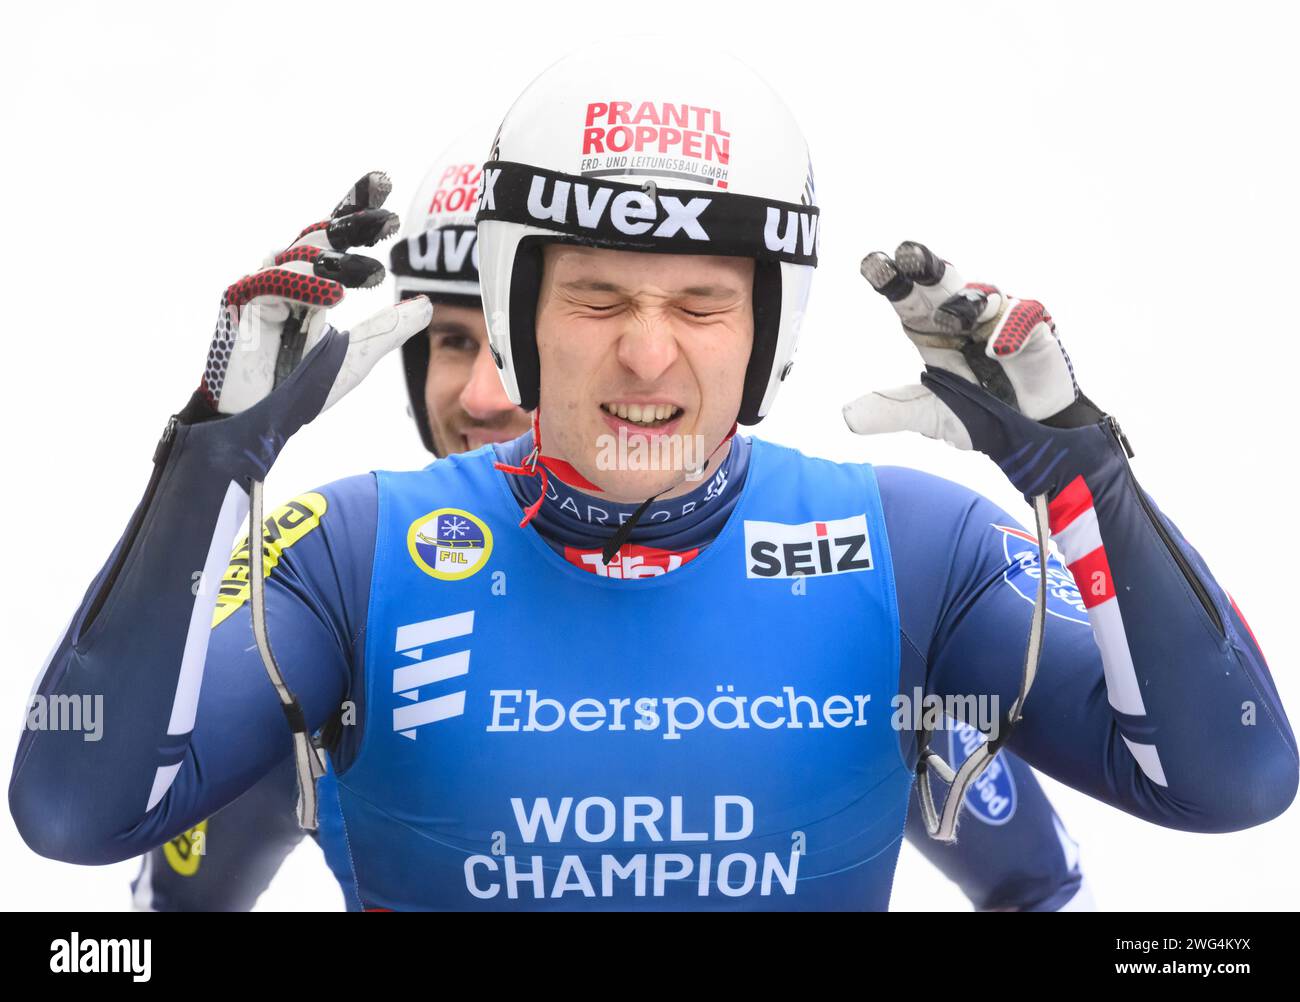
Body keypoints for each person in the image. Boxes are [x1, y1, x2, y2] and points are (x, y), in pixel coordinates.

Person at [12, 46, 1294, 911]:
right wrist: (210, 462)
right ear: (520, 320)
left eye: (698, 303)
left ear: (769, 335)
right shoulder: (349, 554)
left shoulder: (911, 548)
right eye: (595, 297)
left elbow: (1227, 782)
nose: (644, 350)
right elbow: (75, 820)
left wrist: (1080, 471)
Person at [127, 136, 1092, 912]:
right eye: (449, 340)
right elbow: (165, 904)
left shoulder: (830, 602)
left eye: (511, 336)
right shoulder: (318, 613)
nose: (488, 387)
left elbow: (1036, 881)